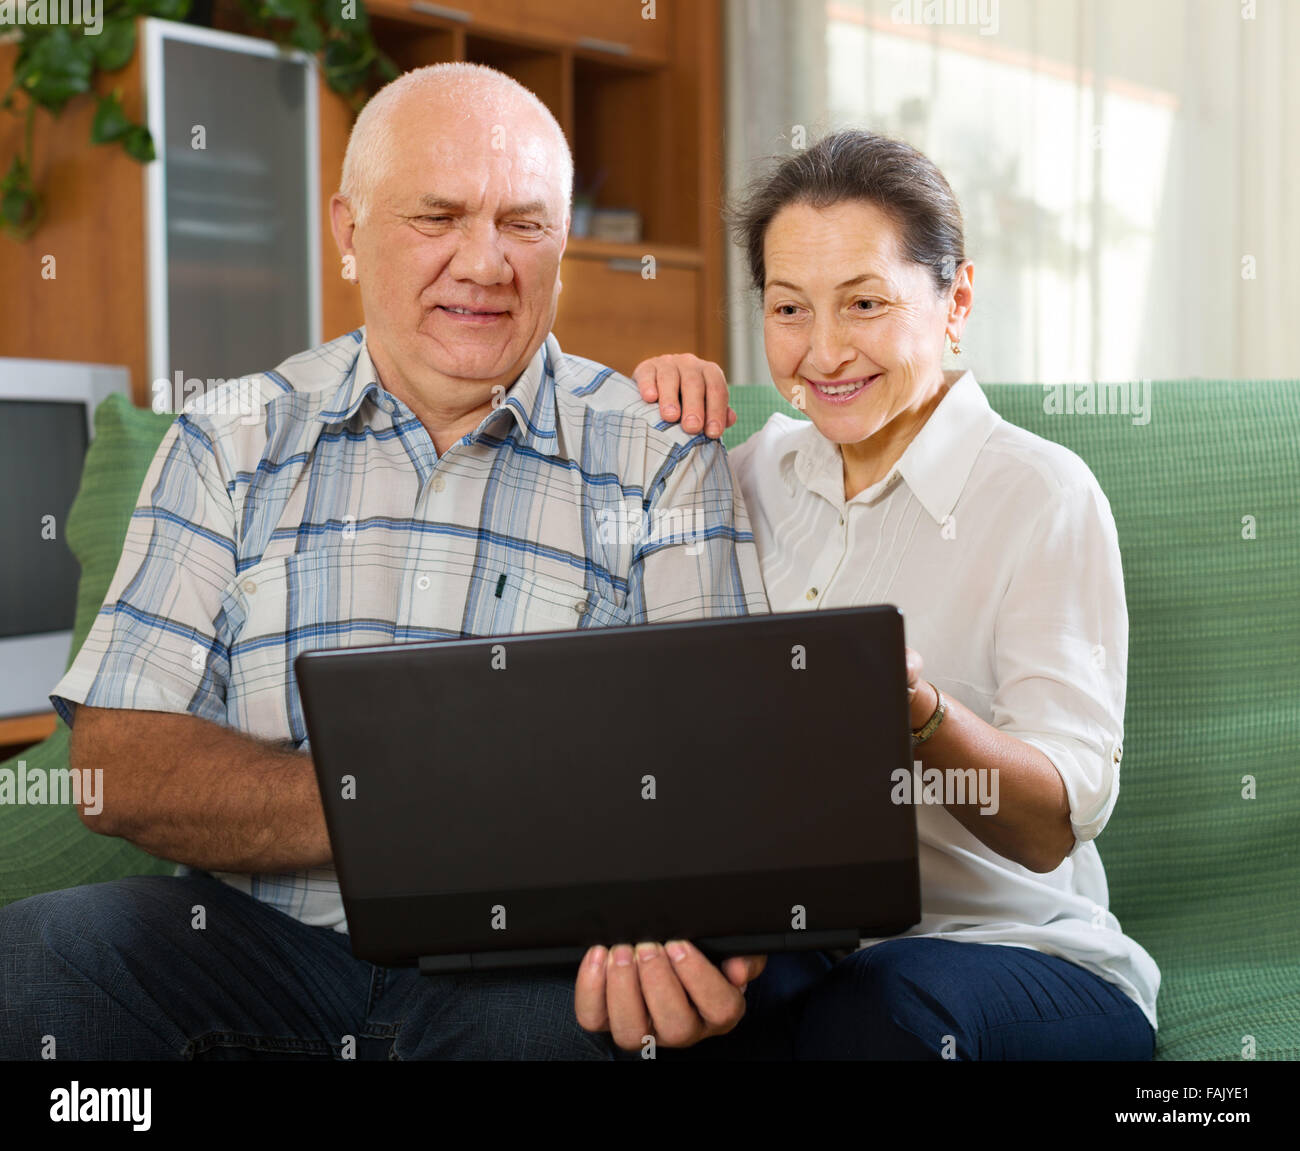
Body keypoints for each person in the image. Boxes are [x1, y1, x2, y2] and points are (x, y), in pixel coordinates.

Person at [0, 63, 769, 1061]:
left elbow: (722, 777)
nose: (483, 262)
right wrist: (427, 802)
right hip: (251, 940)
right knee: (38, 958)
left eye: (524, 225)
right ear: (348, 232)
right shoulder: (226, 437)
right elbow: (122, 766)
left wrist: (687, 938)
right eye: (438, 216)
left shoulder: (662, 453)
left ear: (563, 246)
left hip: (535, 960)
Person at [624, 129, 1160, 1059]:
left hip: (1020, 956)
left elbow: (1053, 824)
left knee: (876, 1013)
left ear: (956, 301)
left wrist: (920, 712)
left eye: (864, 303)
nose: (823, 352)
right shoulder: (742, 475)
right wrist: (646, 424)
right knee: (681, 983)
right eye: (789, 309)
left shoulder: (1042, 494)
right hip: (810, 943)